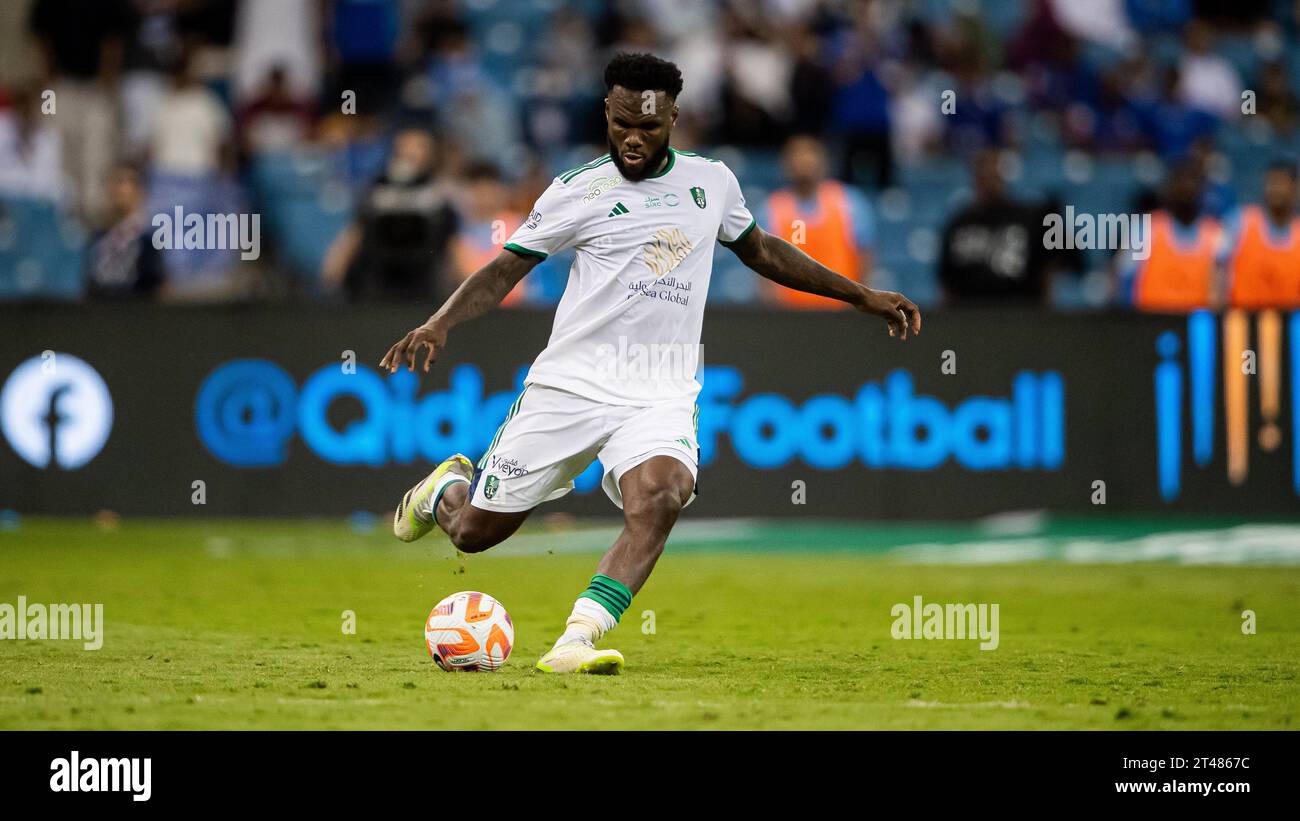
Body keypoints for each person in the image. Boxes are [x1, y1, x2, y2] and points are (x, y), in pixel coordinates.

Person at [379, 53, 920, 674]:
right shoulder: (576, 190)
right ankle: (445, 485)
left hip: (660, 388)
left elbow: (765, 252)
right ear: (606, 114)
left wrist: (861, 294)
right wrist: (439, 322)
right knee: (474, 533)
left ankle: (576, 638)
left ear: (673, 119)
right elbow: (507, 267)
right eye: (621, 125)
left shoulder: (711, 183)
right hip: (570, 385)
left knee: (663, 495)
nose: (633, 139)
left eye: (650, 127)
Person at [321, 128, 458, 301]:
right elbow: (356, 230)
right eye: (404, 146)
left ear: (431, 154)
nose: (410, 153)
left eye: (418, 147)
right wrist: (337, 262)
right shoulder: (377, 188)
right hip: (376, 281)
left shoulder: (440, 194)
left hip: (422, 283)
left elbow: (453, 243)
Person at [758, 135, 874, 308]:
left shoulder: (849, 202)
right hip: (790, 316)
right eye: (797, 155)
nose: (804, 162)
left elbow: (865, 258)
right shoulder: (771, 209)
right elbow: (764, 270)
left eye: (810, 154)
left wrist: (858, 303)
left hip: (841, 313)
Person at [937, 149, 1055, 305]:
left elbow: (1048, 269)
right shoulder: (959, 224)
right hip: (970, 317)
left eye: (994, 174)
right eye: (983, 173)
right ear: (975, 178)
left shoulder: (1029, 219)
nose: (989, 180)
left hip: (1020, 315)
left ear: (1003, 177)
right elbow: (947, 283)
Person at [1118, 158, 1221, 312]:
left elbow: (1220, 292)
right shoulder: (1147, 228)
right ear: (1169, 189)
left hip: (1198, 325)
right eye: (1180, 183)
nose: (1186, 190)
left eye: (1192, 184)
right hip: (1150, 323)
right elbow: (1124, 280)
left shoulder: (1215, 235)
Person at [1221, 161, 1300, 309]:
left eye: (1282, 183)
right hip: (1243, 324)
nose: (1276, 189)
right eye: (1272, 182)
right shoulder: (1240, 223)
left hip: (1291, 325)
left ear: (1295, 188)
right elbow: (1219, 268)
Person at [83, 162, 165, 299]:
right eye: (112, 181)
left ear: (140, 191)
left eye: (123, 181)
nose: (116, 188)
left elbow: (159, 289)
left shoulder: (148, 242)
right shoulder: (95, 239)